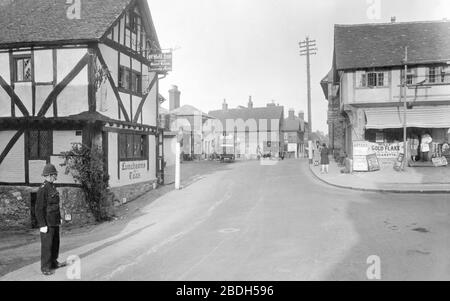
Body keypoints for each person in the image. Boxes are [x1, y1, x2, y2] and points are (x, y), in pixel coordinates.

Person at [35, 164, 66, 276]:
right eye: (54, 175)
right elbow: (39, 208)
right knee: (47, 245)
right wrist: (42, 224)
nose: (56, 177)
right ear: (49, 175)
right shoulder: (43, 189)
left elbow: (55, 206)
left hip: (54, 221)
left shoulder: (52, 187)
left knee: (55, 243)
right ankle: (45, 267)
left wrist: (59, 219)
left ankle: (53, 262)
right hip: (47, 223)